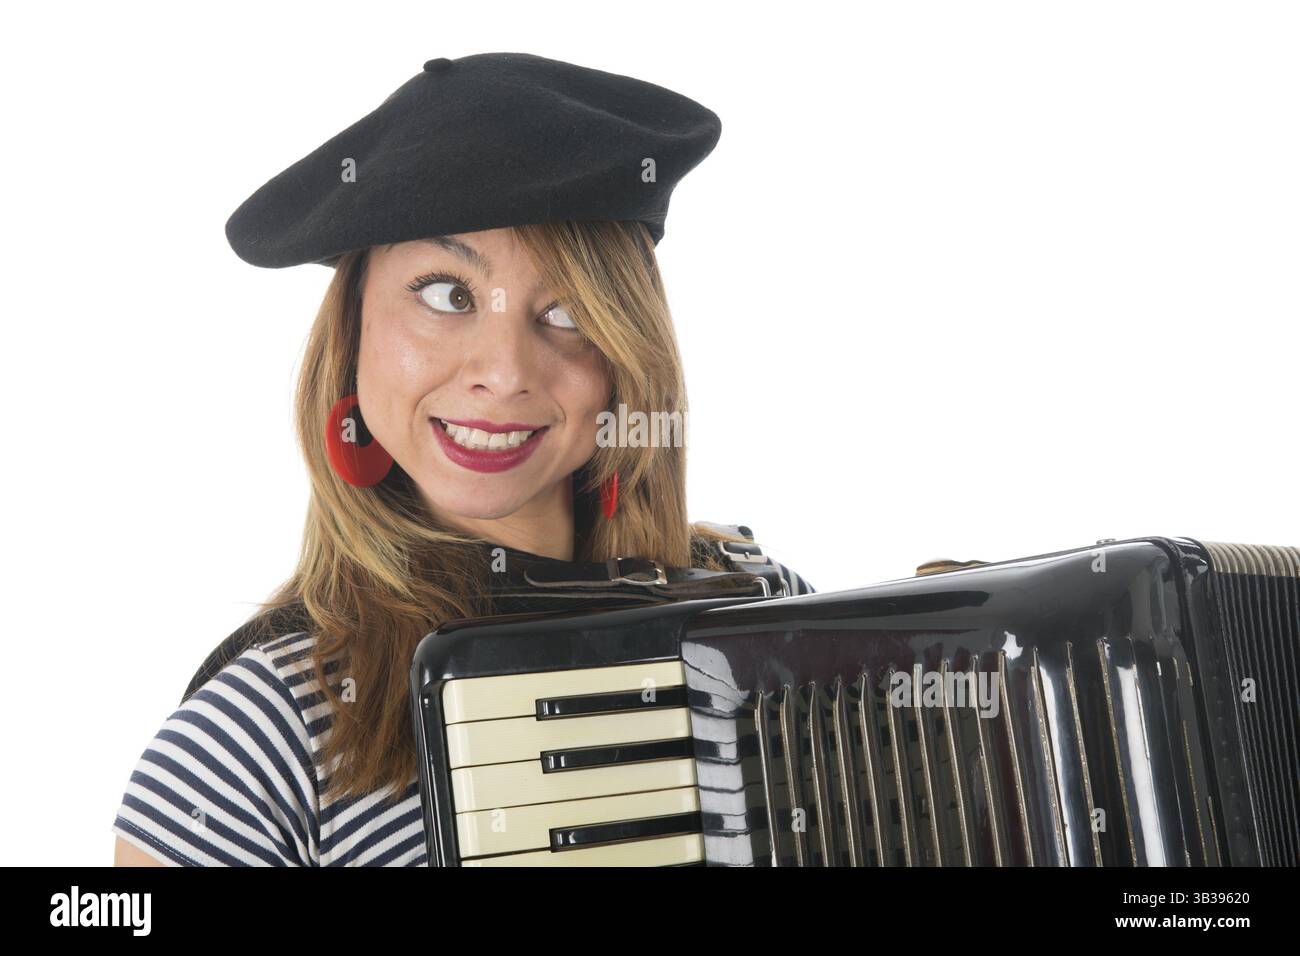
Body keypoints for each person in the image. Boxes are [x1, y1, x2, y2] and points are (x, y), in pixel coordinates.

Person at [111, 52, 813, 867]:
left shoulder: (761, 616)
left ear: (628, 353)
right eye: (447, 293)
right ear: (354, 330)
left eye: (569, 310)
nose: (505, 372)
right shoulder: (250, 744)